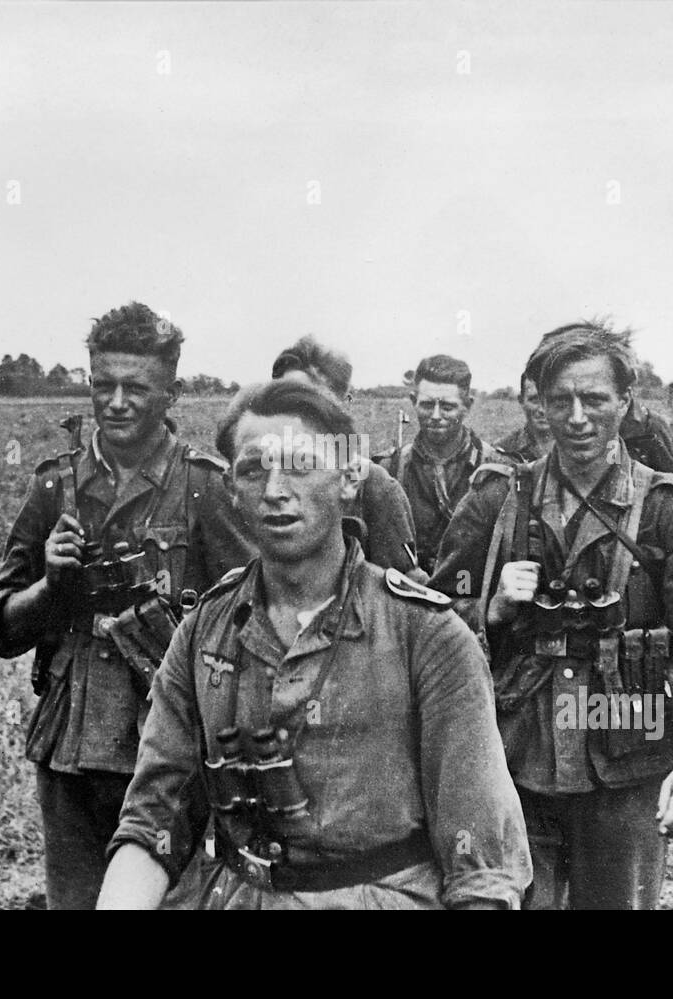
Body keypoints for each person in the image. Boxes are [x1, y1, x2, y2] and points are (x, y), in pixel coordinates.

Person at [97, 379, 533, 909]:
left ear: (350, 477)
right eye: (253, 469)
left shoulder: (427, 635)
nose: (275, 489)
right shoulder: (203, 631)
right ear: (232, 490)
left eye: (300, 464)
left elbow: (481, 862)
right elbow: (154, 821)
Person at [429, 319, 673, 909]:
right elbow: (433, 621)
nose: (576, 417)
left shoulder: (669, 510)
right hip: (514, 755)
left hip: (626, 756)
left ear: (625, 401)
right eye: (559, 400)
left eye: (594, 399)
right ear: (538, 404)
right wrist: (489, 609)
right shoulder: (497, 498)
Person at [0, 302, 254, 909]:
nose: (117, 402)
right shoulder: (56, 485)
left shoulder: (206, 487)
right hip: (72, 748)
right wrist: (51, 588)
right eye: (102, 385)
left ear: (172, 393)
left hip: (173, 748)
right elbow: (0, 627)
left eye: (136, 387)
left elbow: (254, 618)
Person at [271, 336, 425, 580]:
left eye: (314, 401)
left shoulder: (373, 486)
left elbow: (404, 593)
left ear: (344, 406)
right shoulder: (256, 479)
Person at [373, 354, 507, 574]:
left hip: (471, 599)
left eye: (447, 406)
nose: (435, 416)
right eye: (426, 405)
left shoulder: (497, 469)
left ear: (468, 405)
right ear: (413, 401)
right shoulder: (390, 468)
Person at [495, 367, 554, 463]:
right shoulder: (503, 449)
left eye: (550, 400)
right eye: (534, 400)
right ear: (521, 401)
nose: (542, 409)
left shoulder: (578, 445)